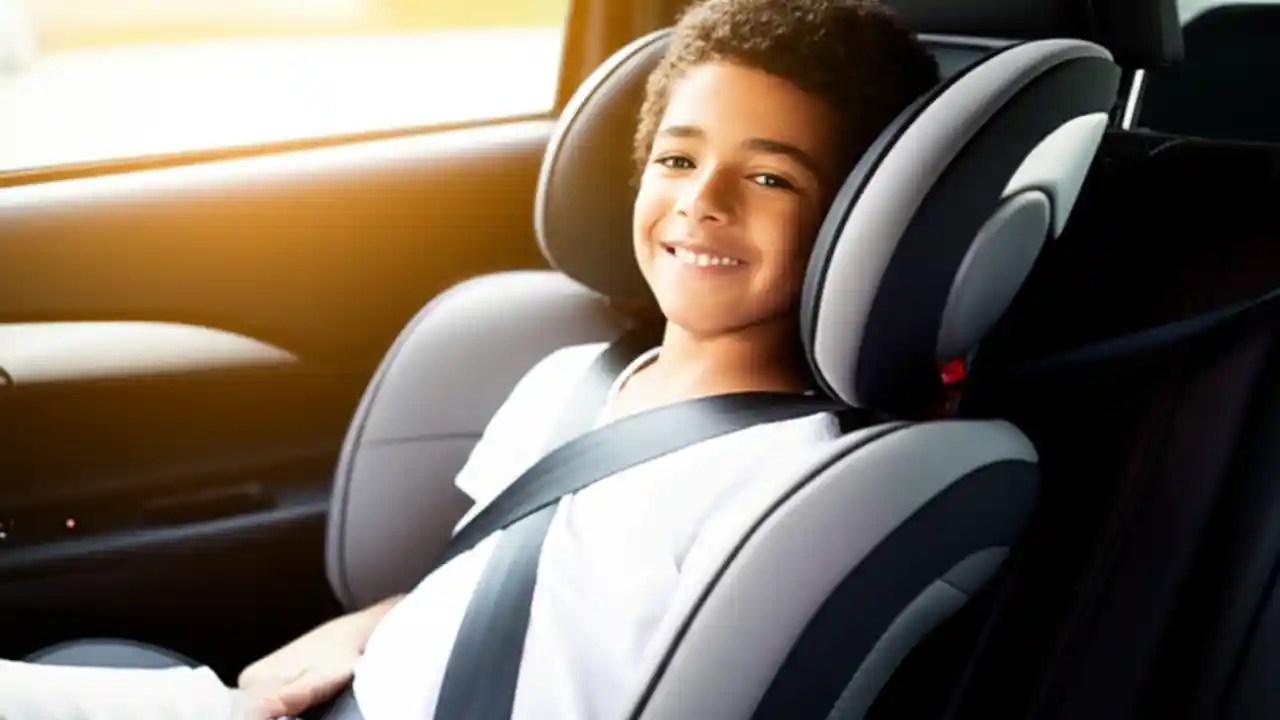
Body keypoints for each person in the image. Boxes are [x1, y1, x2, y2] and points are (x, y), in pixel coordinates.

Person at [0, 1, 938, 717]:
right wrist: (376, 627)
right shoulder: (563, 381)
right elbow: (515, 579)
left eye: (771, 177)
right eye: (678, 160)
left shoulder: (807, 480)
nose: (704, 201)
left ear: (856, 217)